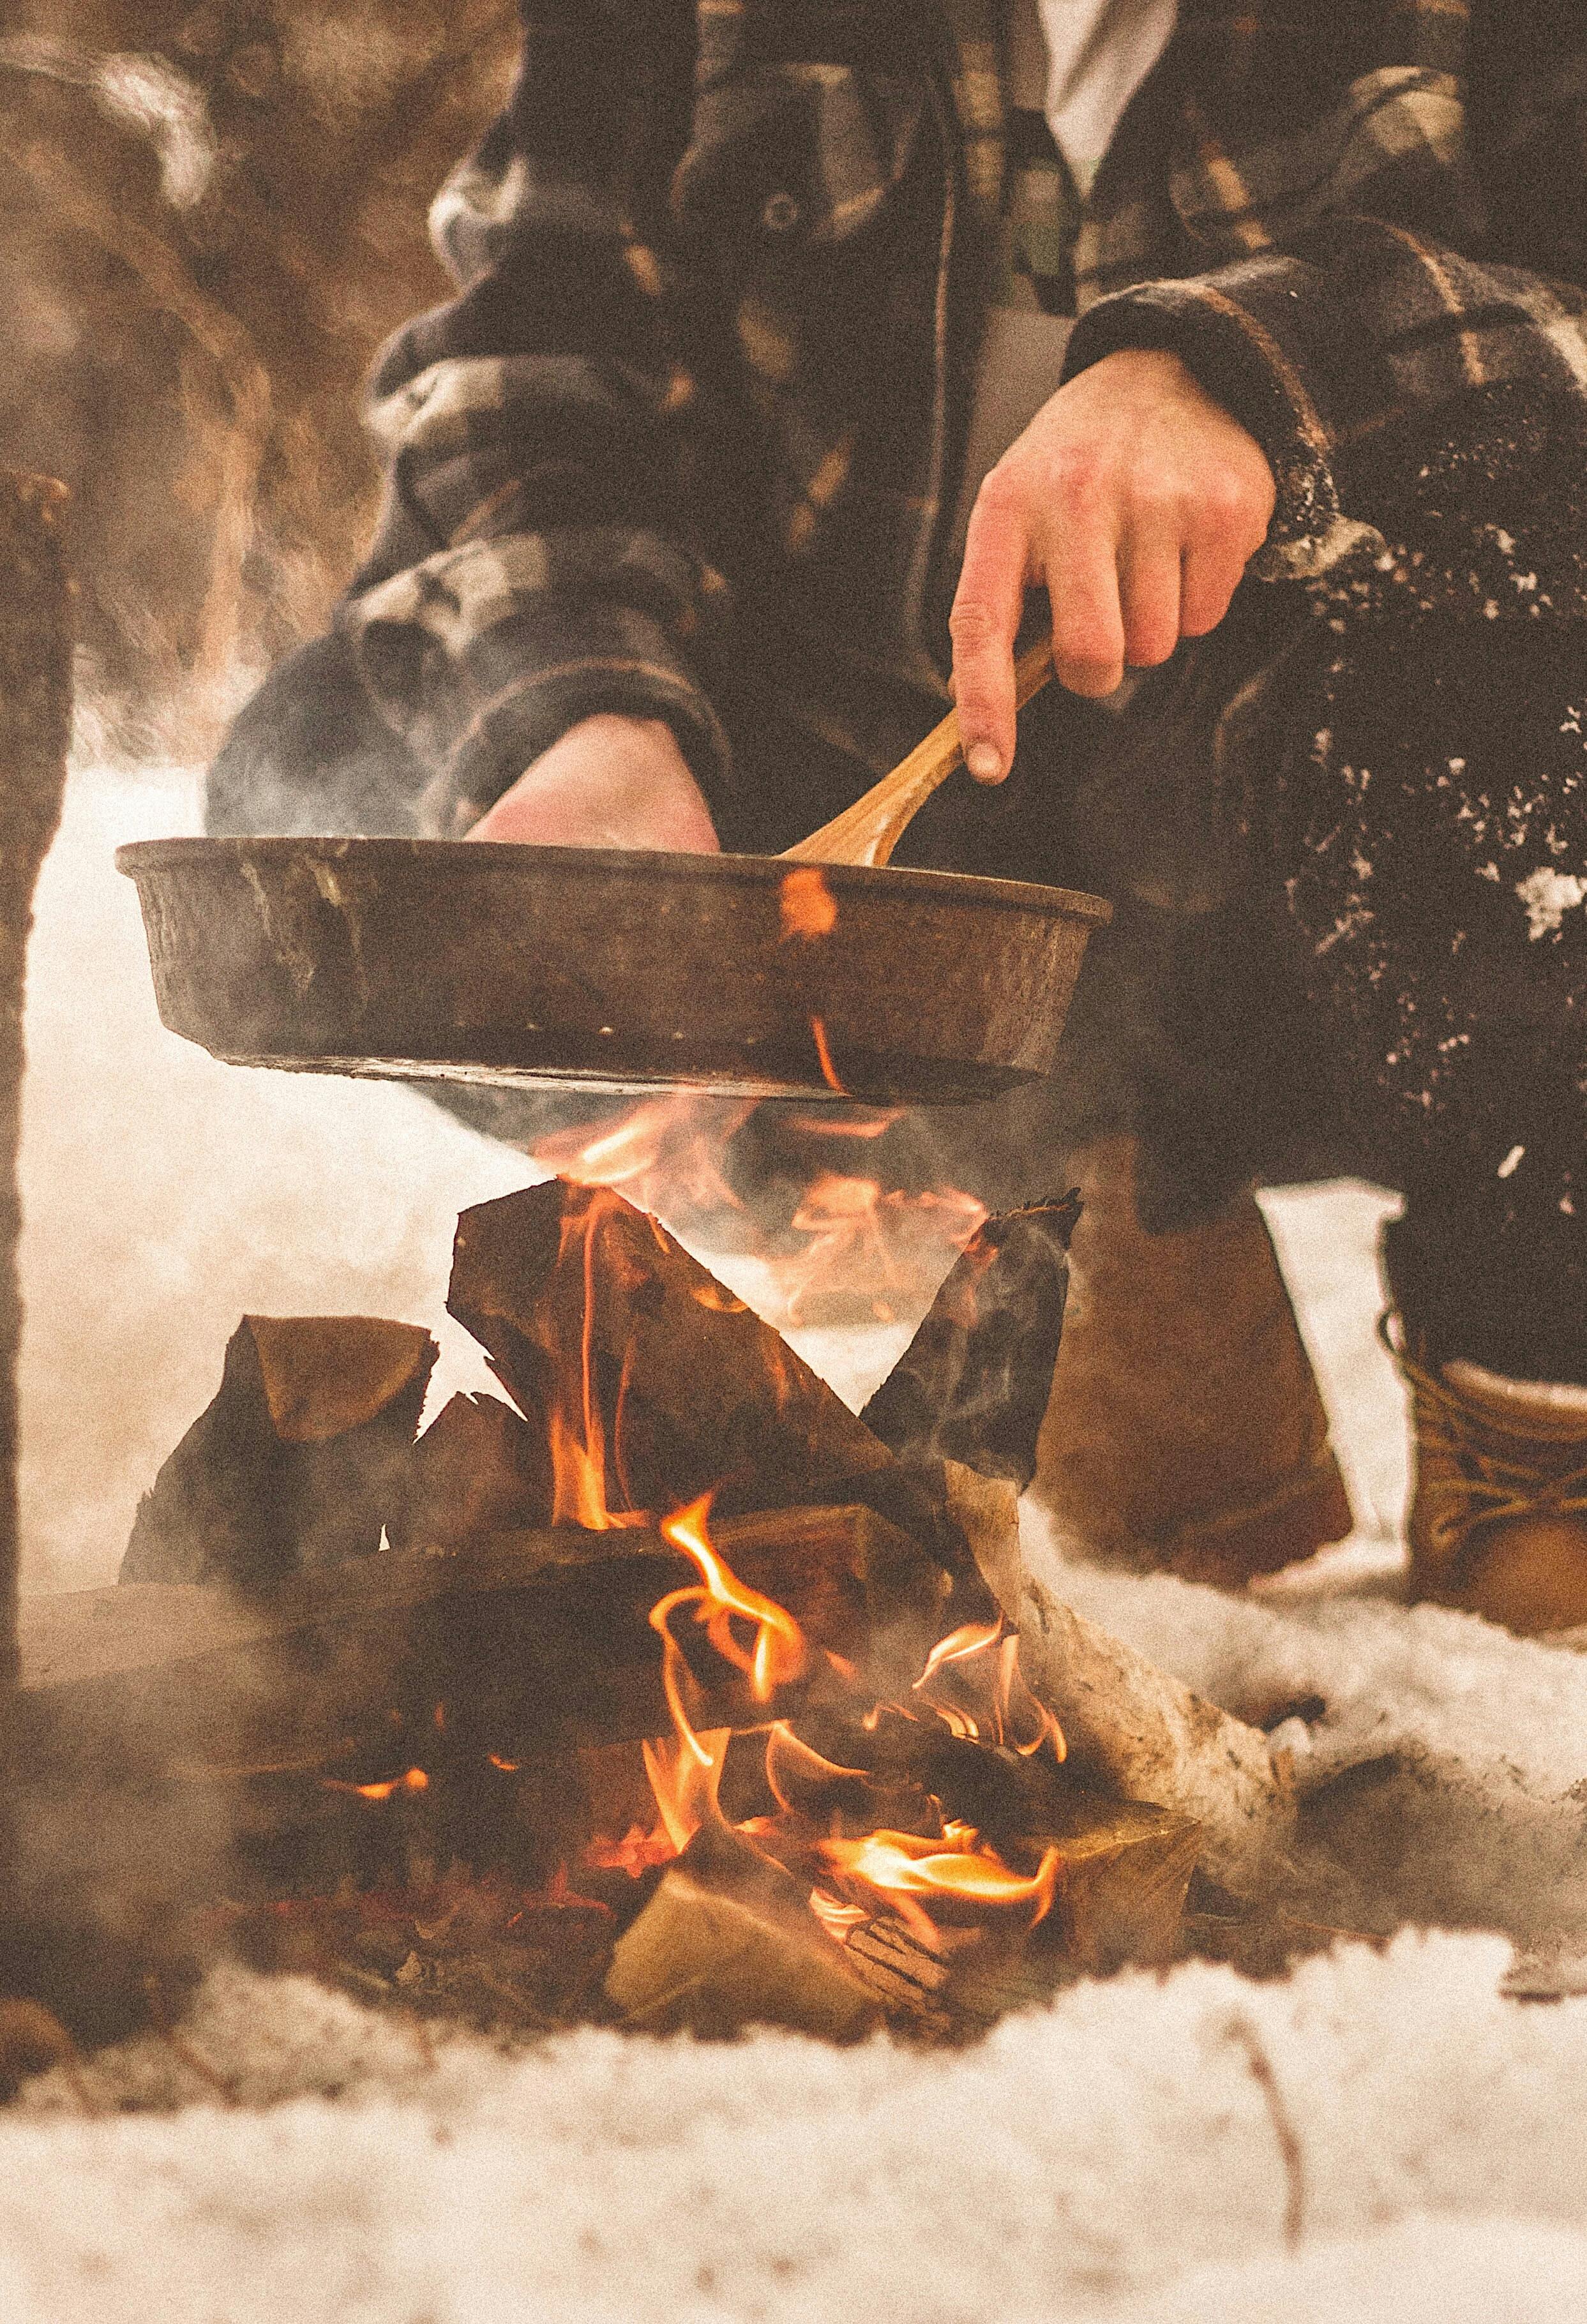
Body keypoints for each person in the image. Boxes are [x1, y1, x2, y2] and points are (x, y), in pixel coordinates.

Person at [209, 0, 1587, 1635]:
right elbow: (530, 353)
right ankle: (1093, 1199)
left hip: (1333, 811)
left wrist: (1267, 363)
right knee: (341, 754)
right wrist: (597, 709)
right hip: (888, 799)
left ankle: (1533, 1398)